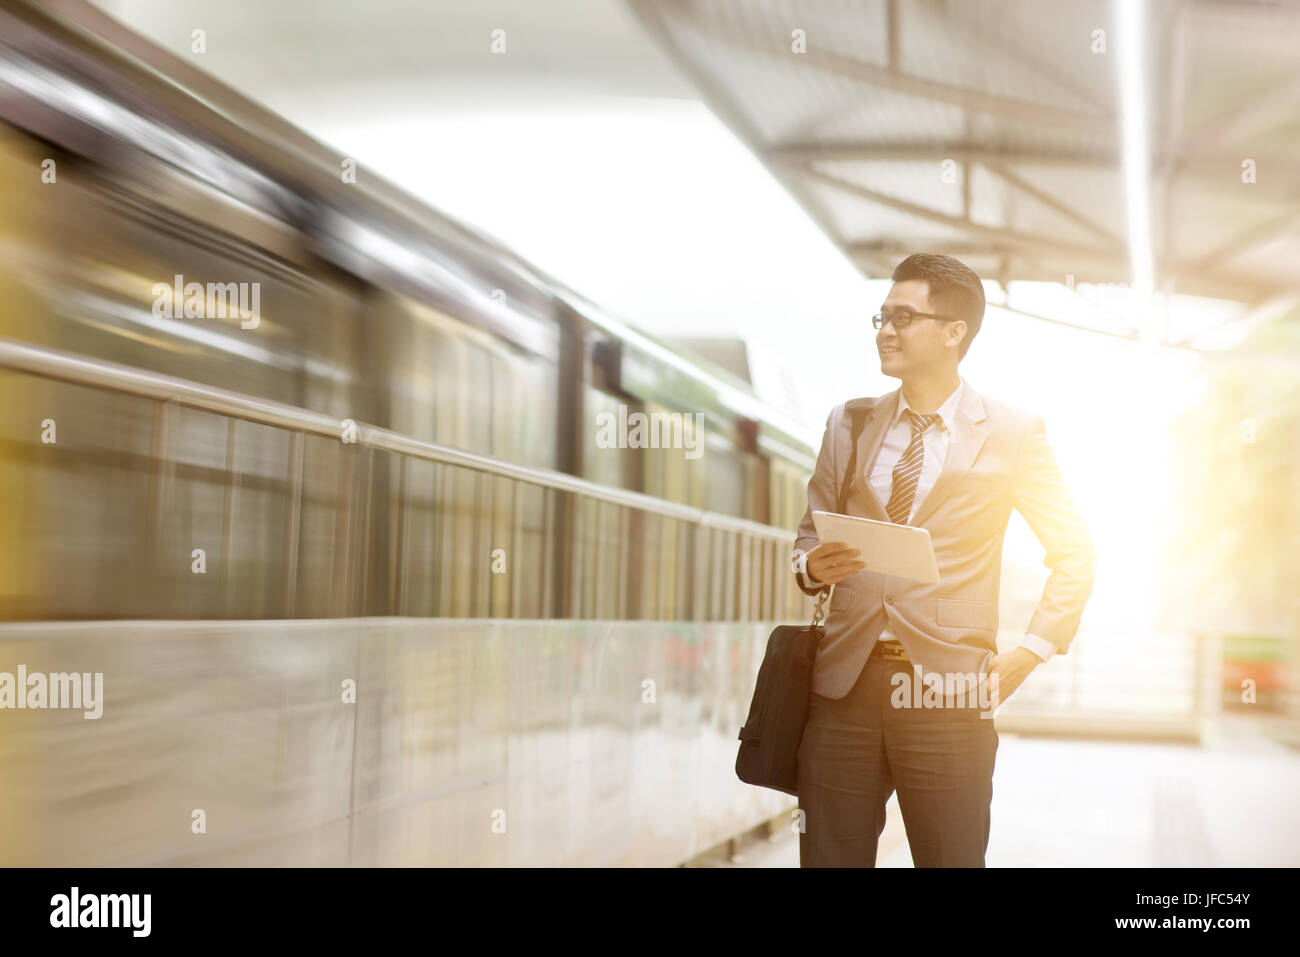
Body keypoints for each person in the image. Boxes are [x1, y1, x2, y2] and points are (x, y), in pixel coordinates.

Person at [791, 253, 1096, 867]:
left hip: (951, 692)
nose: (885, 330)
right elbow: (807, 535)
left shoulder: (1013, 432)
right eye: (882, 316)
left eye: (905, 318)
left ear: (955, 331)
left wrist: (1029, 653)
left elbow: (1075, 553)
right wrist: (810, 567)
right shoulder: (848, 423)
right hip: (843, 688)